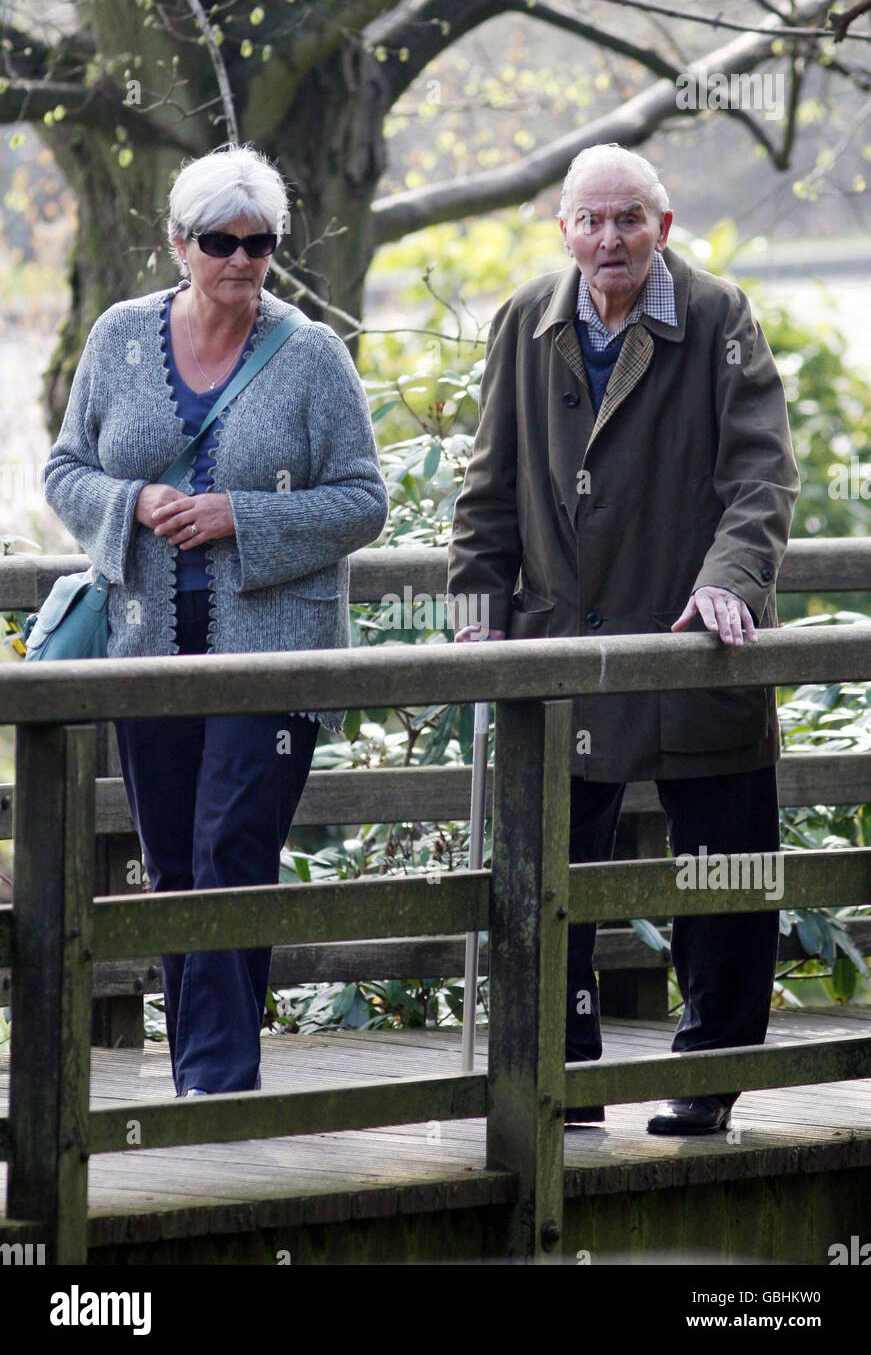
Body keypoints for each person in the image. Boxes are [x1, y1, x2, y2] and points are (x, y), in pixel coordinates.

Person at [447, 143, 800, 1135]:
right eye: (590, 220)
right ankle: (561, 1068)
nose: (609, 238)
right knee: (551, 863)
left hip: (696, 638)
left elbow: (761, 474)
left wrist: (730, 582)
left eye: (629, 218)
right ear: (564, 230)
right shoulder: (526, 319)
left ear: (663, 227)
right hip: (562, 642)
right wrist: (475, 607)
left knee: (722, 868)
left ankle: (709, 1075)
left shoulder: (719, 316)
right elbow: (488, 485)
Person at [43, 144, 389, 1097]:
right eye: (219, 241)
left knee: (231, 849)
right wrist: (134, 503)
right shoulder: (118, 337)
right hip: (145, 646)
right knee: (171, 863)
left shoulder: (312, 354)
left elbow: (364, 500)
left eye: (259, 242)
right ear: (178, 244)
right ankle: (204, 1070)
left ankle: (215, 1080)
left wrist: (245, 516)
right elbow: (65, 470)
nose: (240, 259)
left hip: (273, 655)